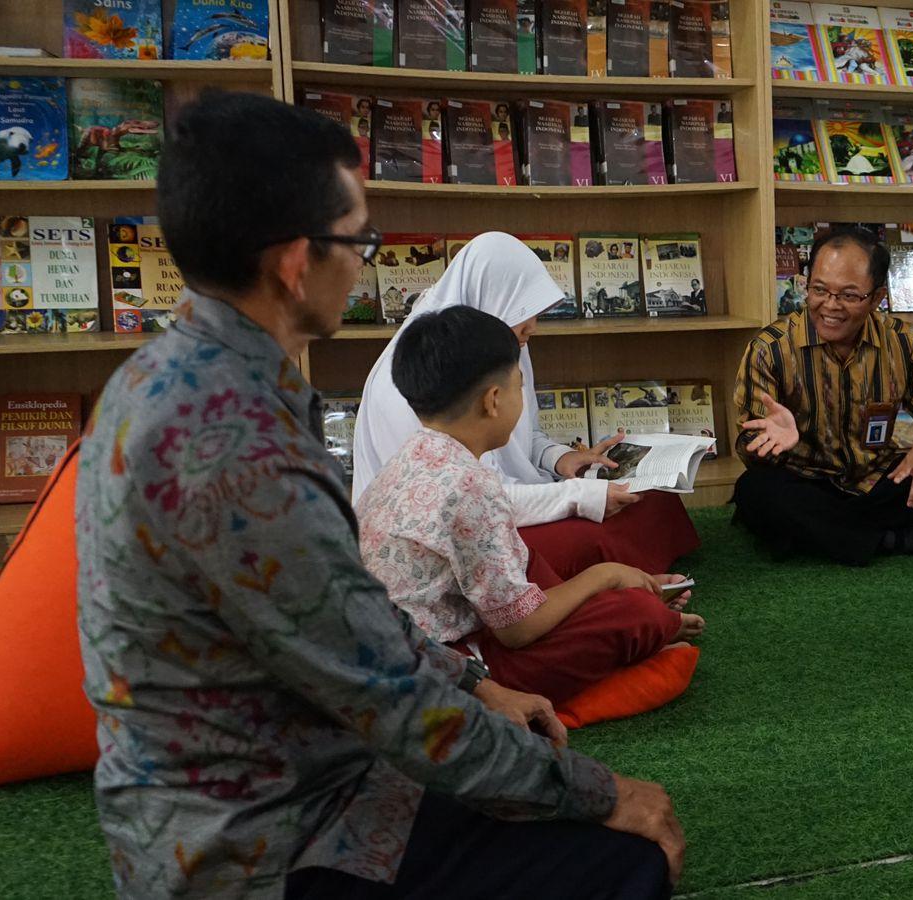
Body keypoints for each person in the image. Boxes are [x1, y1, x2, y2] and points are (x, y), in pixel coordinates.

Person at [75, 92, 682, 898]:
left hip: (293, 780)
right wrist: (603, 794)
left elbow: (353, 616)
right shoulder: (236, 446)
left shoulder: (168, 377)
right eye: (360, 239)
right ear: (296, 263)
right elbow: (386, 699)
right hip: (261, 844)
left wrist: (476, 684)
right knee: (625, 861)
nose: (366, 259)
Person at [358, 305, 704, 704]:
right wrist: (606, 578)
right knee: (636, 617)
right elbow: (517, 630)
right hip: (447, 670)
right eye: (520, 386)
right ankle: (645, 629)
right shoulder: (471, 485)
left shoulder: (412, 455)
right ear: (493, 400)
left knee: (535, 555)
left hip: (406, 640)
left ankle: (637, 605)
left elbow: (511, 570)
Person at [353, 231, 700, 579]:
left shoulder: (503, 339)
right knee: (584, 536)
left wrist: (560, 459)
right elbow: (468, 504)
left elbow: (523, 432)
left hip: (507, 498)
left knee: (648, 496)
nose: (532, 326)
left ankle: (619, 574)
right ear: (494, 298)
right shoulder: (413, 380)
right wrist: (581, 497)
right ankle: (613, 581)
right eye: (524, 310)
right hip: (450, 536)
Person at [730, 225, 913, 566]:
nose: (830, 306)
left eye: (848, 295)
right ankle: (889, 540)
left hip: (876, 479)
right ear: (806, 283)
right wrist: (767, 442)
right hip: (804, 481)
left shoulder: (902, 342)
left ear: (876, 298)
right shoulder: (769, 349)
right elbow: (748, 449)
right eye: (818, 290)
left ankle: (819, 535)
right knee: (755, 491)